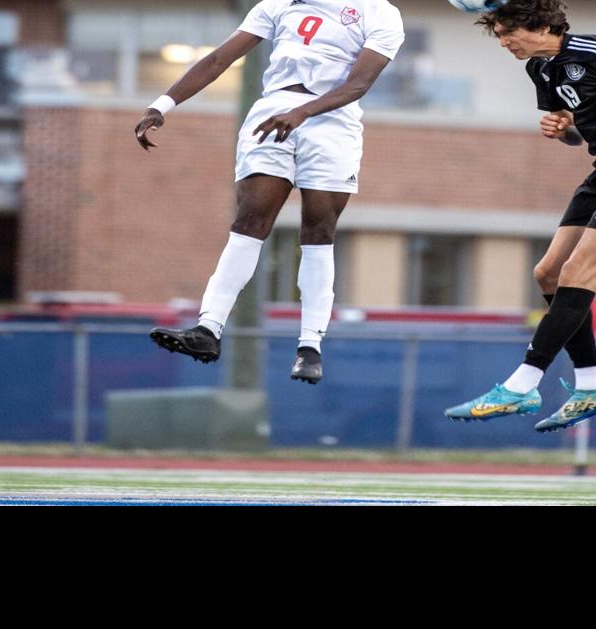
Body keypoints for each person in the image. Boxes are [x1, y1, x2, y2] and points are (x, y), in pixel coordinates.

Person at [443, 0, 596, 431]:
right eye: (498, 36)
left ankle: (521, 386)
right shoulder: (539, 70)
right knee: (549, 273)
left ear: (539, 25)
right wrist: (565, 132)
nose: (503, 43)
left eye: (507, 33)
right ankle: (593, 383)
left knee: (579, 270)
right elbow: (580, 127)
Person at [140, 0, 405, 385]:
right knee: (249, 221)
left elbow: (358, 84)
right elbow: (218, 60)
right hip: (273, 109)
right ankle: (208, 329)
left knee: (318, 231)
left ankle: (310, 347)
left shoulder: (380, 11)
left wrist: (303, 113)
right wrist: (161, 105)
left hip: (333, 122)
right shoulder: (277, 4)